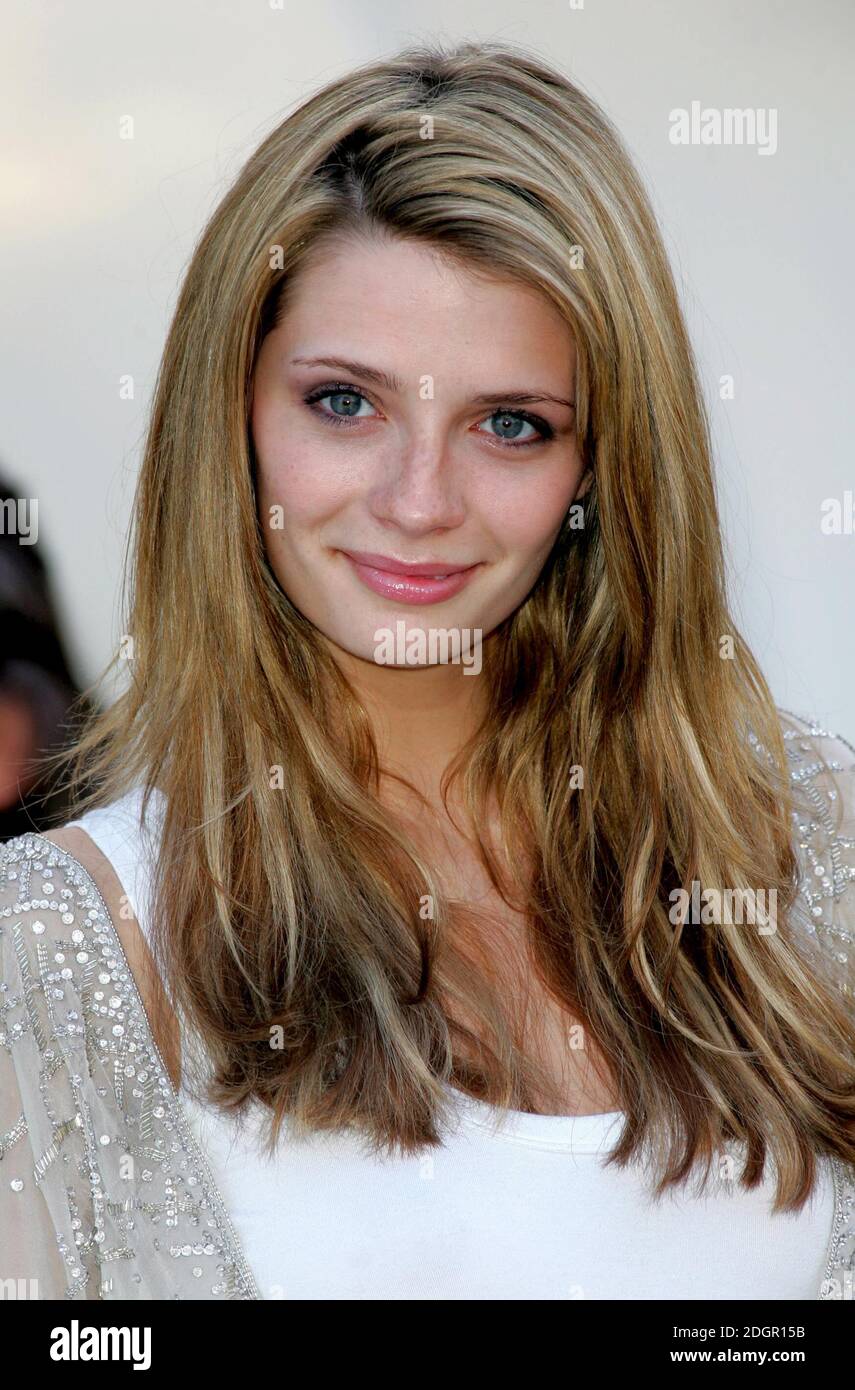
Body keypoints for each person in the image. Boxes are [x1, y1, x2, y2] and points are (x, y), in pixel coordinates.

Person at [1, 39, 853, 1303]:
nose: (419, 501)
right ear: (228, 417)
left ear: (604, 468)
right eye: (346, 403)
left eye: (510, 424)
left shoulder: (815, 847)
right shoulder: (56, 946)